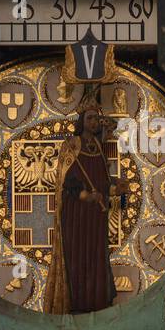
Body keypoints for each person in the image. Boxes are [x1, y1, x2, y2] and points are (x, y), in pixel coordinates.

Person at [43, 101, 117, 314]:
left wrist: (113, 189)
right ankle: (76, 303)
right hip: (76, 214)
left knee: (96, 255)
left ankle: (96, 303)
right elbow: (67, 181)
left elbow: (102, 181)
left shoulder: (100, 149)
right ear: (81, 122)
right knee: (77, 255)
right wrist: (84, 195)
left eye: (96, 119)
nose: (94, 122)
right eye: (90, 118)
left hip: (96, 215)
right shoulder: (72, 146)